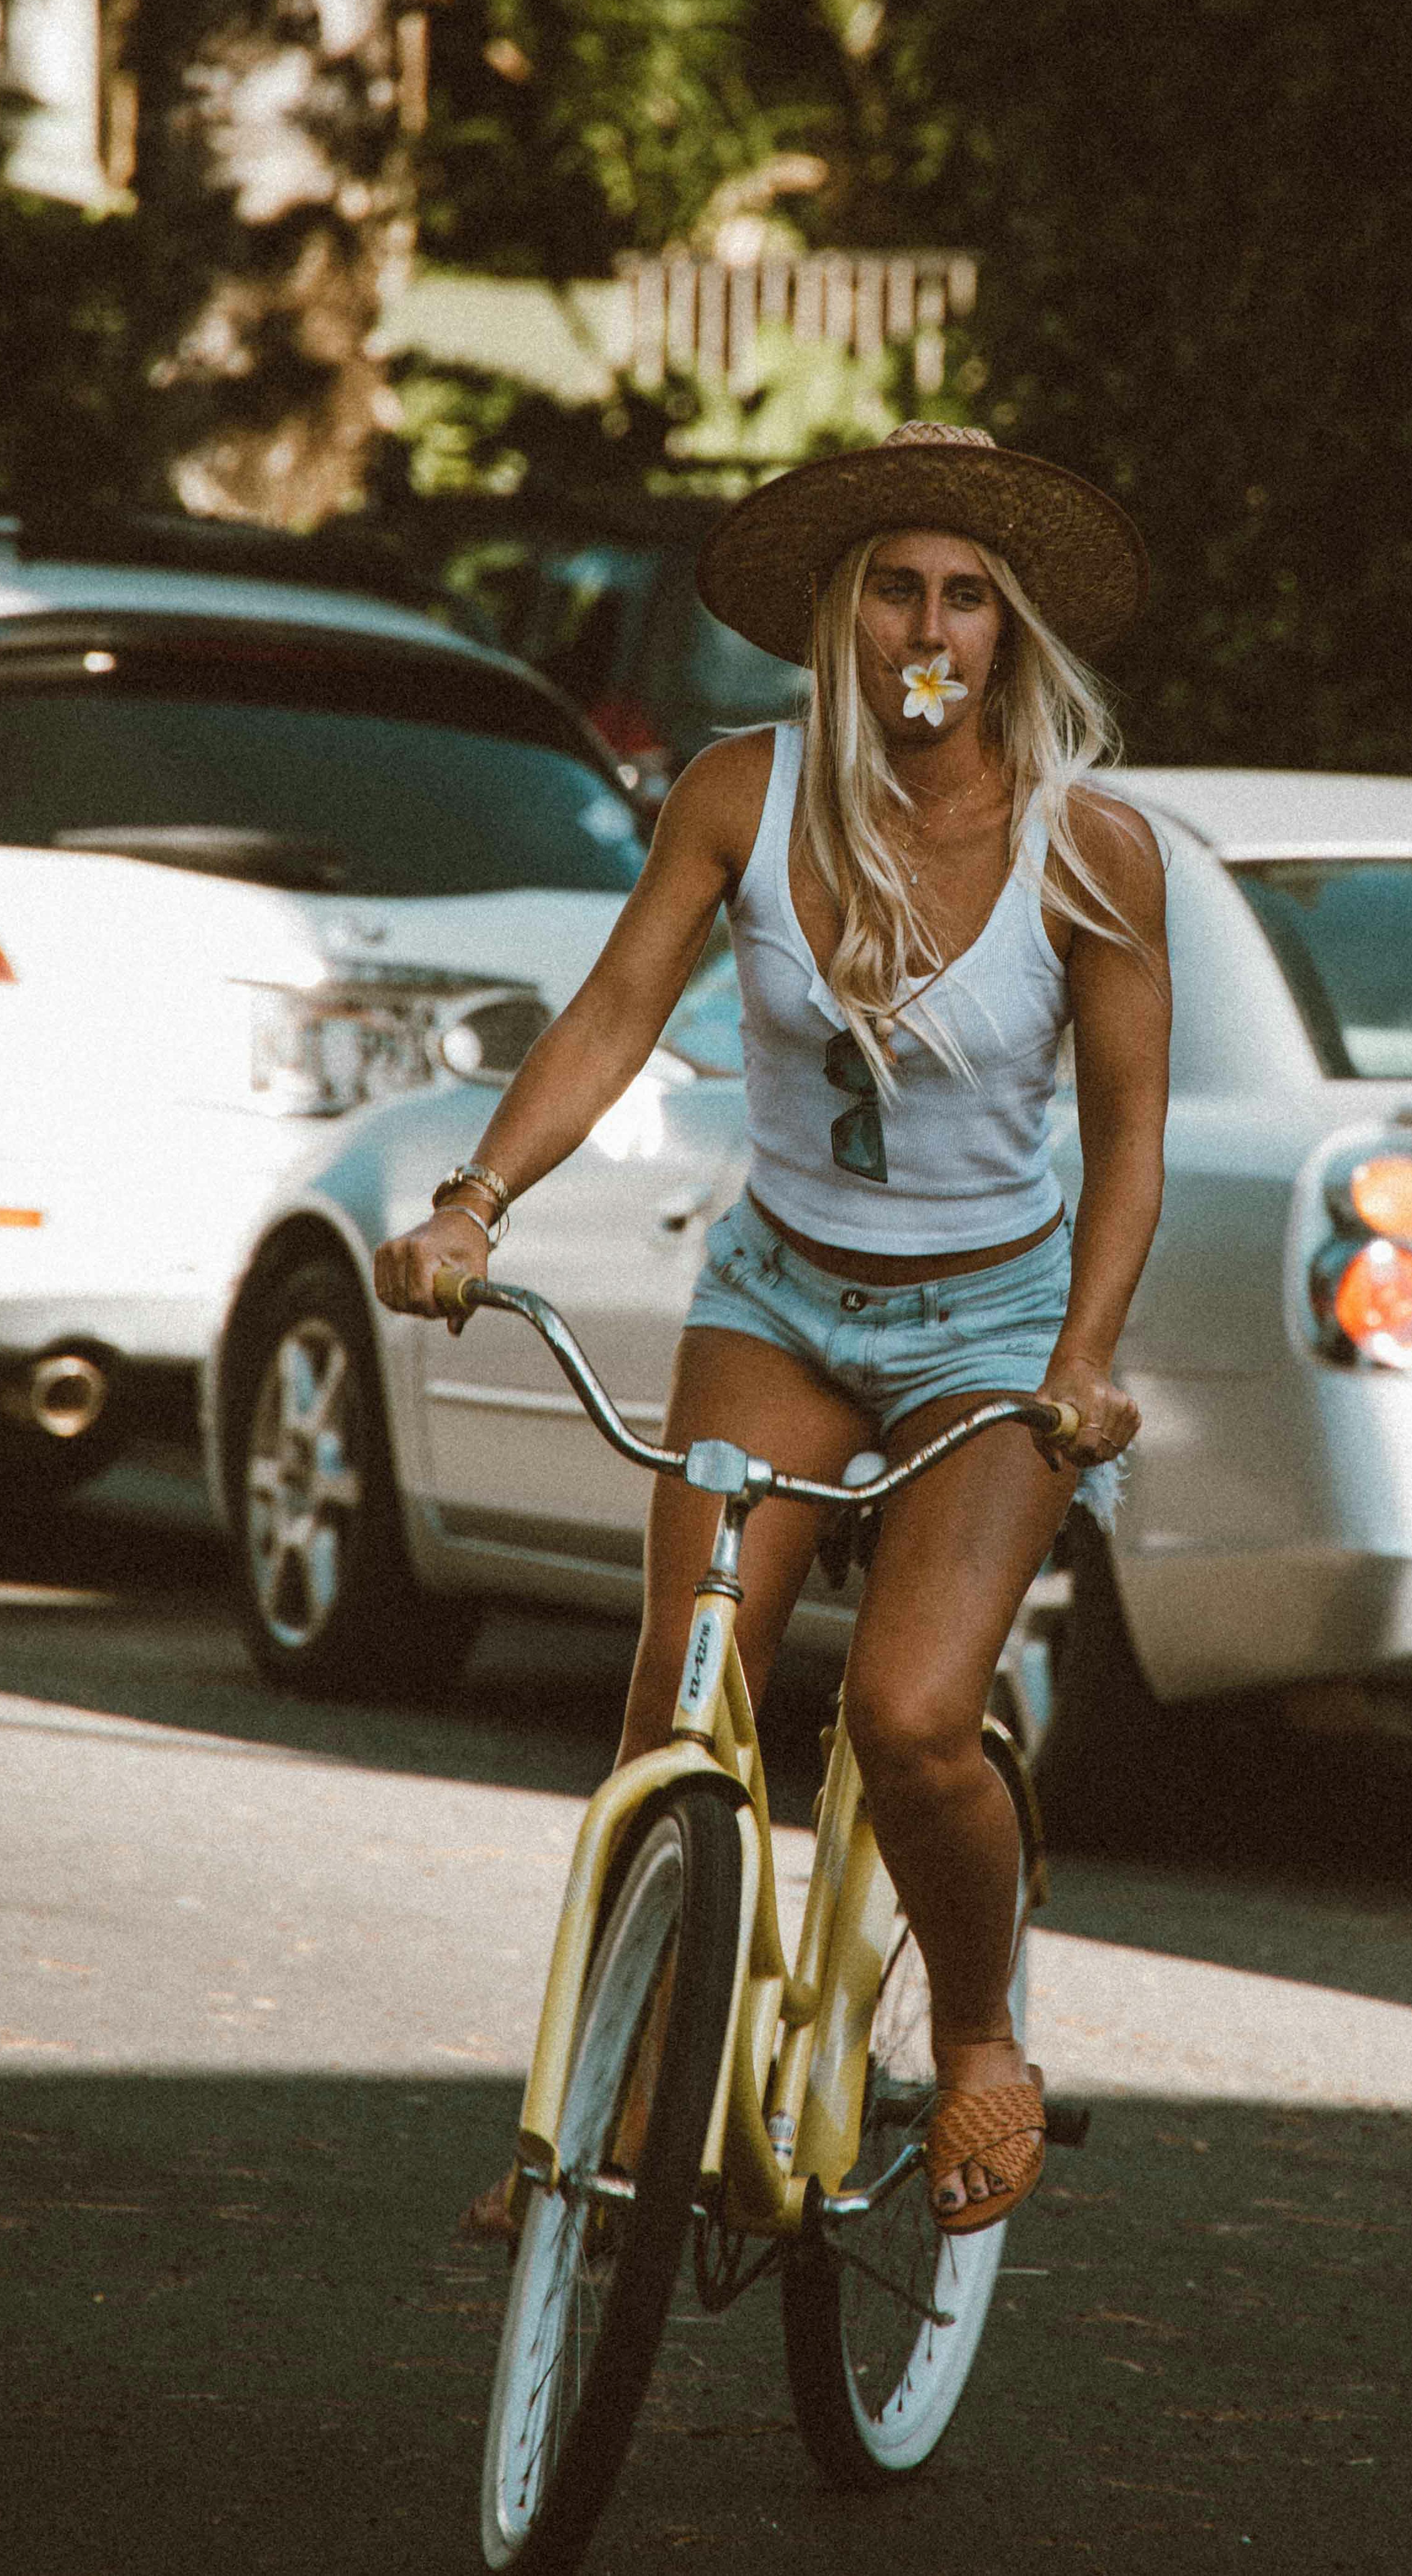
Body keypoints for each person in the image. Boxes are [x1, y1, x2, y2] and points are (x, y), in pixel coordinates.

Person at [374, 421, 1169, 2232]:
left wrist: (1086, 1362)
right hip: (780, 1303)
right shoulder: (742, 792)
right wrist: (476, 1200)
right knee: (676, 1695)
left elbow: (1131, 1141)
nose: (930, 624)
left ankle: (979, 2038)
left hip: (995, 1332)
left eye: (971, 595)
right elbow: (612, 1016)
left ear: (1013, 633)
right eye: (897, 584)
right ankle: (622, 2094)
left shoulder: (1093, 851)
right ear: (839, 610)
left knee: (908, 1717)